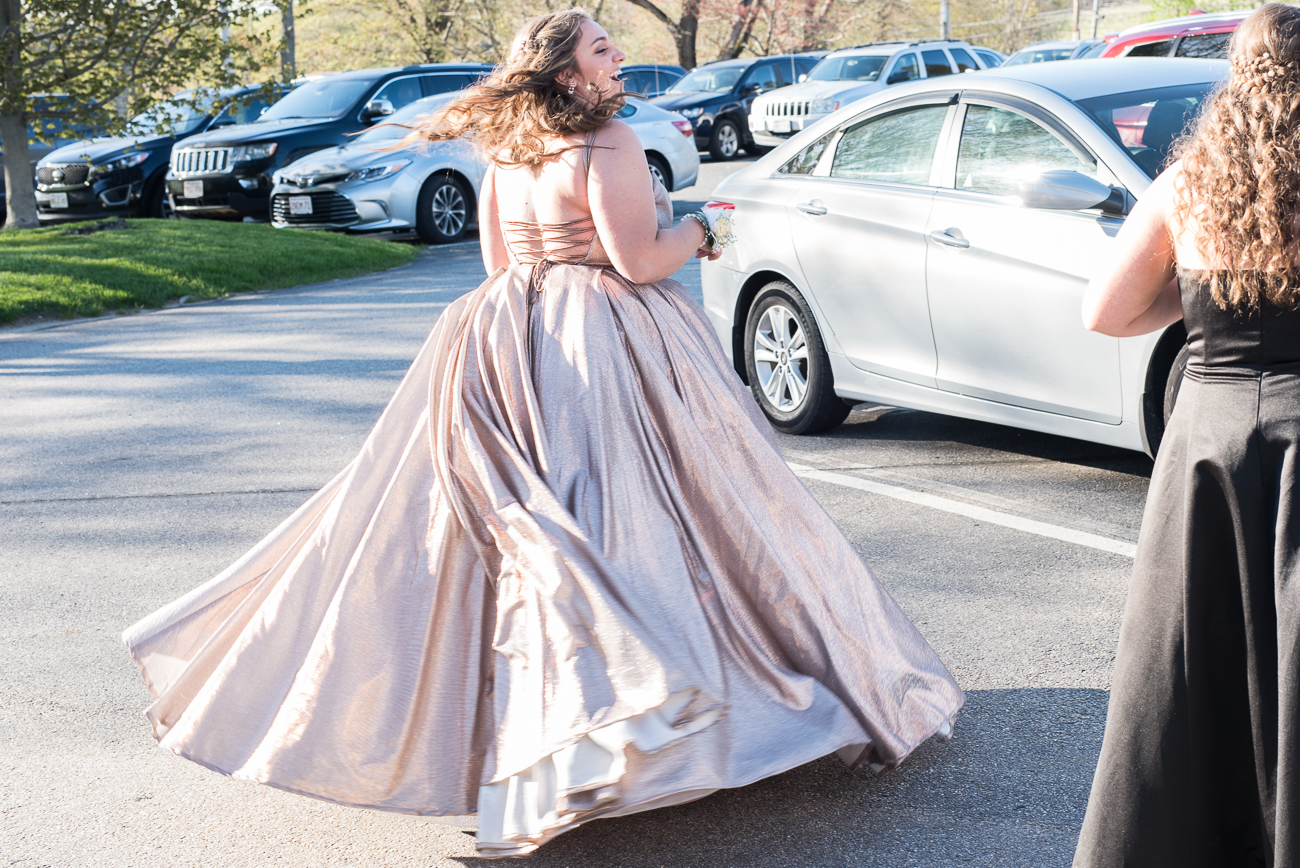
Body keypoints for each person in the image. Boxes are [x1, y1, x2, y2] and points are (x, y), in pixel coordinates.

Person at [122, 9, 962, 858]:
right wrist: (709, 225)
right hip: (603, 344)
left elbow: (499, 263)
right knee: (662, 512)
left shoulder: (507, 149)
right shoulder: (609, 143)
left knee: (520, 528)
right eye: (603, 49)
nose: (620, 57)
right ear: (568, 73)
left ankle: (551, 722)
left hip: (501, 338)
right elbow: (637, 261)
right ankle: (650, 693)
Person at [1075, 5, 1300, 865]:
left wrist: (1208, 298)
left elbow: (1107, 311)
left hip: (1209, 444)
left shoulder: (1191, 184)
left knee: (1184, 670)